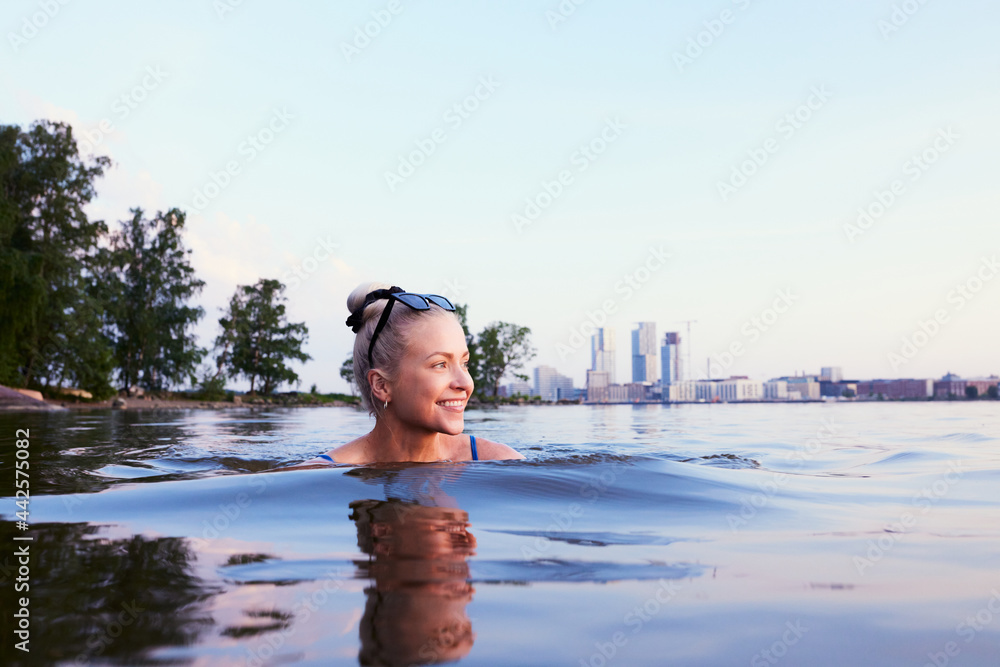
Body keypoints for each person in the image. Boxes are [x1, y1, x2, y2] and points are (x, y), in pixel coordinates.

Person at [304, 282, 524, 464]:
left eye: (464, 363)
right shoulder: (320, 474)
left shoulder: (502, 461)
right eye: (440, 364)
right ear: (381, 385)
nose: (465, 383)